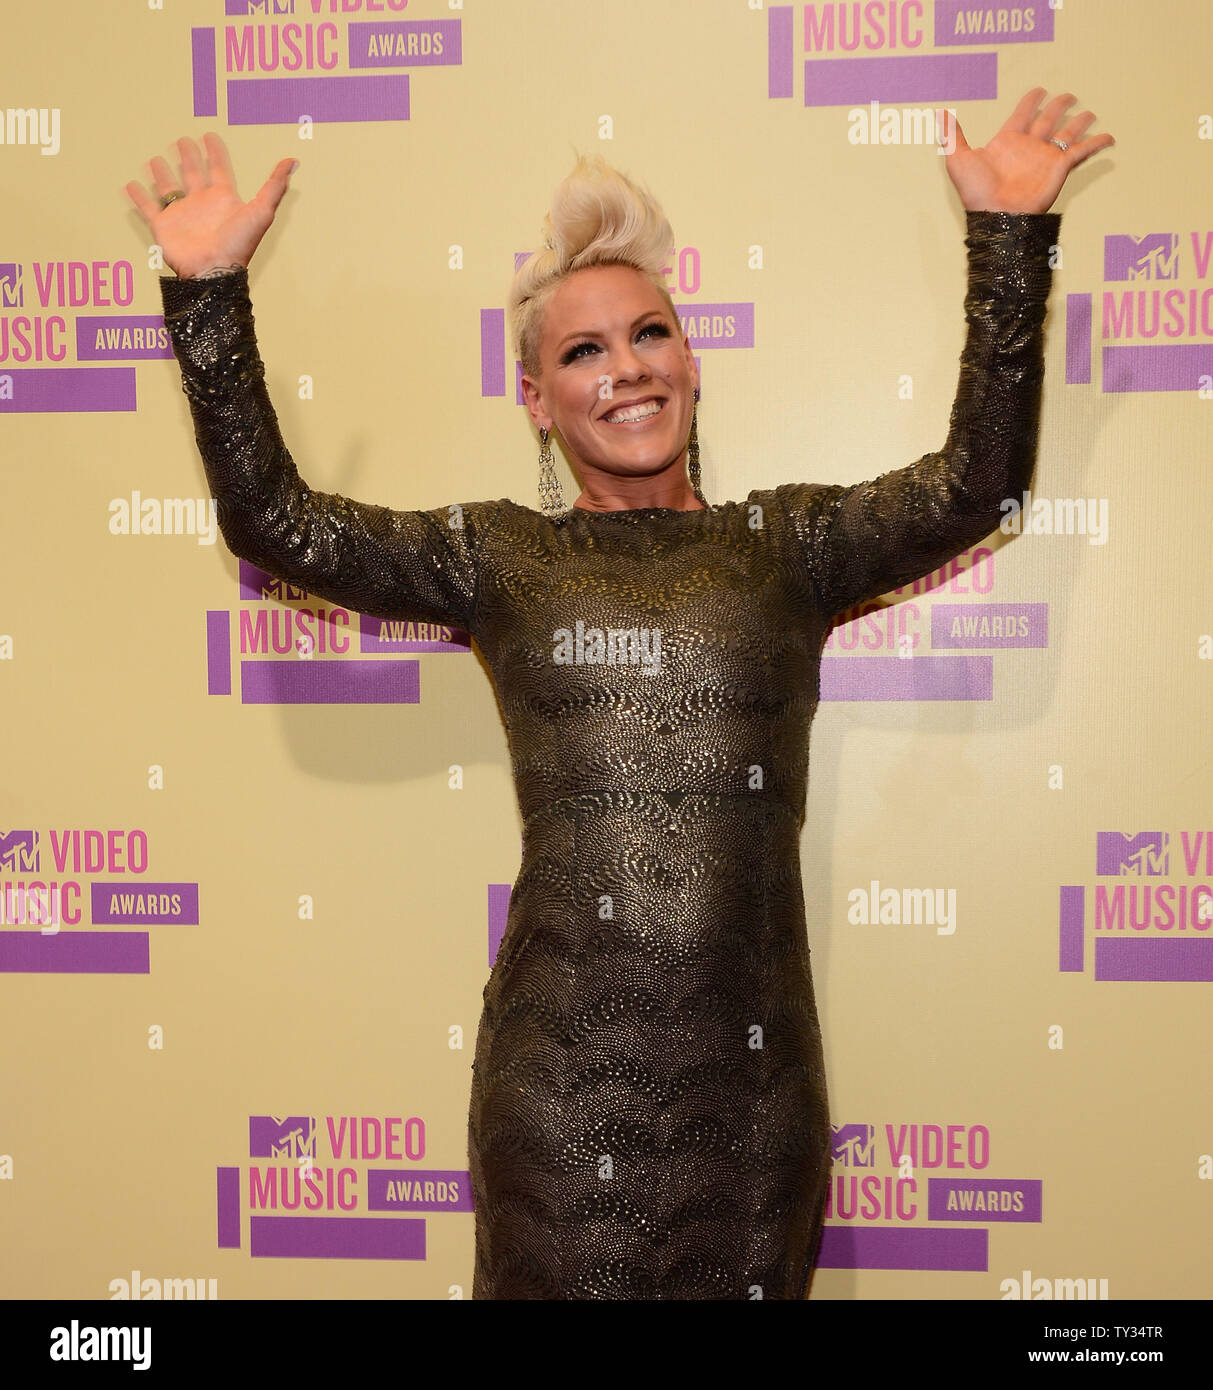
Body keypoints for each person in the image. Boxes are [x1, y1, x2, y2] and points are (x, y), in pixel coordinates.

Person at [125, 89, 1113, 1299]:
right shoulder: (500, 558)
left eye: (649, 334)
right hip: (559, 1090)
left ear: (690, 357)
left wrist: (1009, 236)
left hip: (753, 1102)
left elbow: (975, 486)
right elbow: (278, 526)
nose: (626, 370)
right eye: (581, 352)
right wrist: (207, 297)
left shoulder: (786, 546)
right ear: (536, 400)